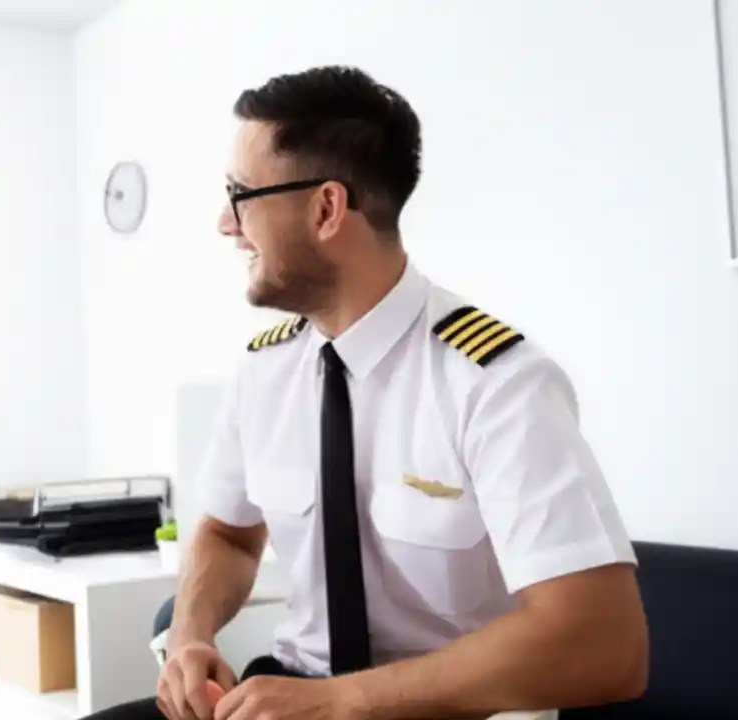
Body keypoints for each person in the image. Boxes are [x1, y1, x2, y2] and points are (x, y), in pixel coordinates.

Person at [86, 66, 648, 720]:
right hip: (293, 692)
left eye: (240, 195)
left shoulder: (498, 384)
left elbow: (608, 644)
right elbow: (228, 535)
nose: (225, 222)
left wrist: (341, 703)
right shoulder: (264, 371)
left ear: (326, 207)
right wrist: (190, 634)